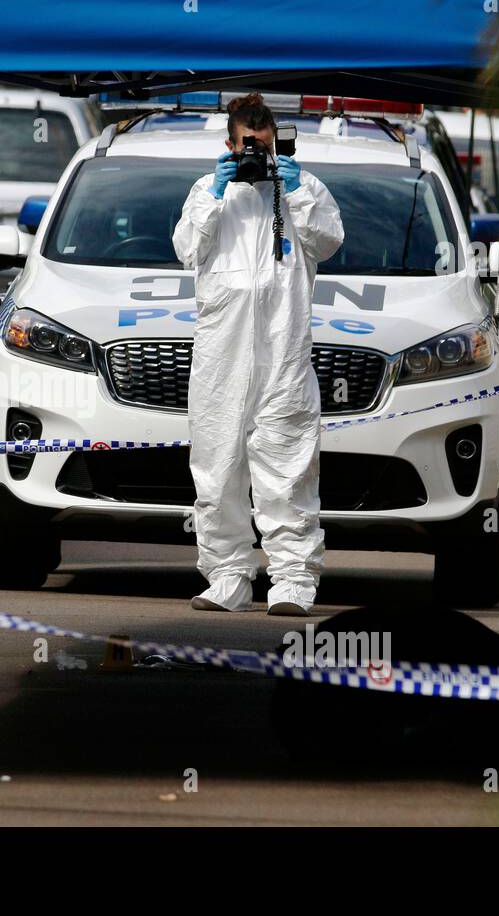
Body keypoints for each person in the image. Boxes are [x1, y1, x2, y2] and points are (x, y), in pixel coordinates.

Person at [172, 93, 344, 615]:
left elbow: (330, 240)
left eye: (264, 147)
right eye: (247, 146)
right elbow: (186, 249)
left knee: (287, 466)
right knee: (217, 468)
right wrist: (218, 189)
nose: (256, 156)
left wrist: (293, 190)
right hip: (221, 357)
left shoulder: (303, 188)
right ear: (229, 144)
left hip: (283, 354)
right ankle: (226, 576)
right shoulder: (208, 190)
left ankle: (292, 580)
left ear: (278, 144)